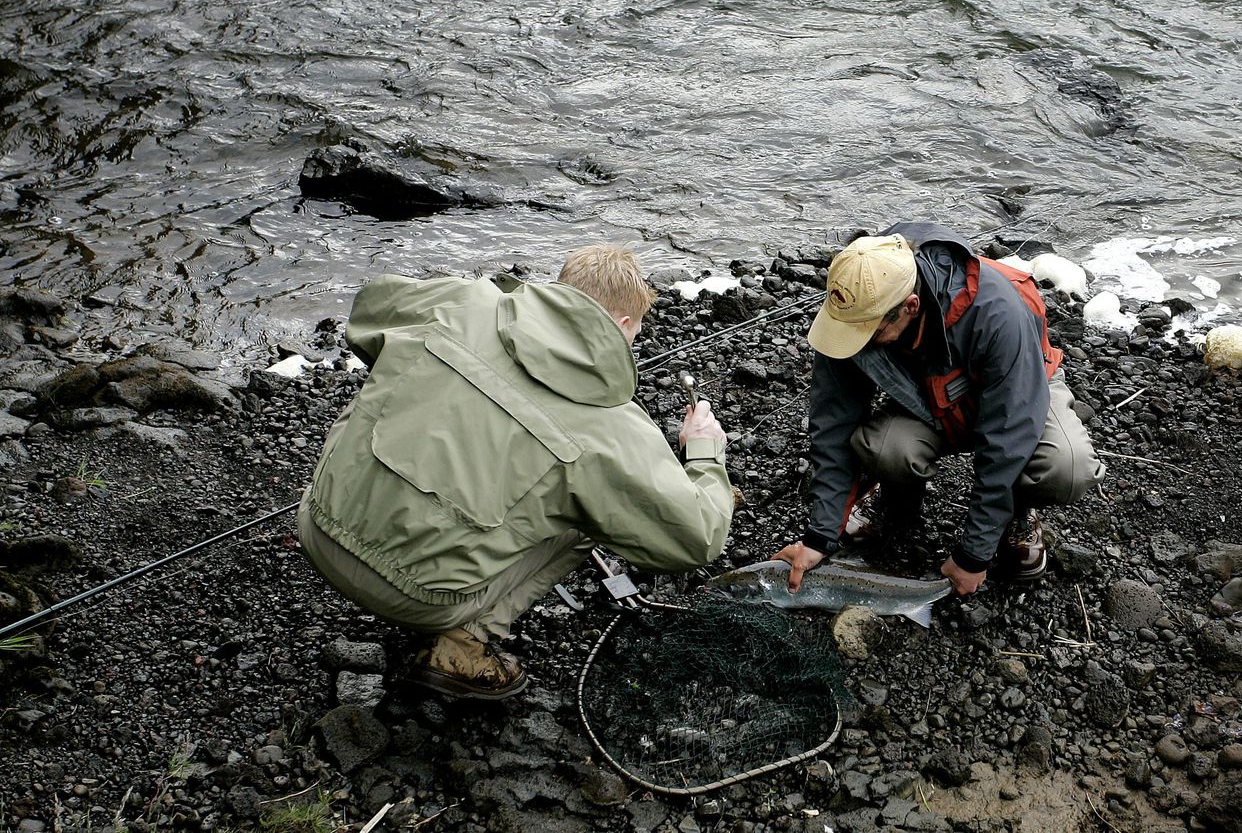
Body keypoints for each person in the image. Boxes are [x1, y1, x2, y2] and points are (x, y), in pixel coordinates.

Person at [297, 245, 734, 700]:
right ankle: (465, 644)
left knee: (399, 376)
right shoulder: (613, 424)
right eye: (636, 334)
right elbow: (698, 539)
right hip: (415, 595)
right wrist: (704, 450)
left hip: (319, 519)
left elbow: (368, 312)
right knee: (594, 513)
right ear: (623, 326)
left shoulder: (463, 299)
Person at [773, 222, 1104, 597]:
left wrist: (972, 555)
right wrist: (820, 536)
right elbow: (833, 423)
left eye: (868, 333)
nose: (856, 341)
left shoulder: (999, 315)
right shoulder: (857, 300)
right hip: (932, 398)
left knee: (1067, 468)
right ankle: (897, 505)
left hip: (1022, 391)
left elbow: (1009, 435)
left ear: (909, 308)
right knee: (886, 448)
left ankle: (1018, 514)